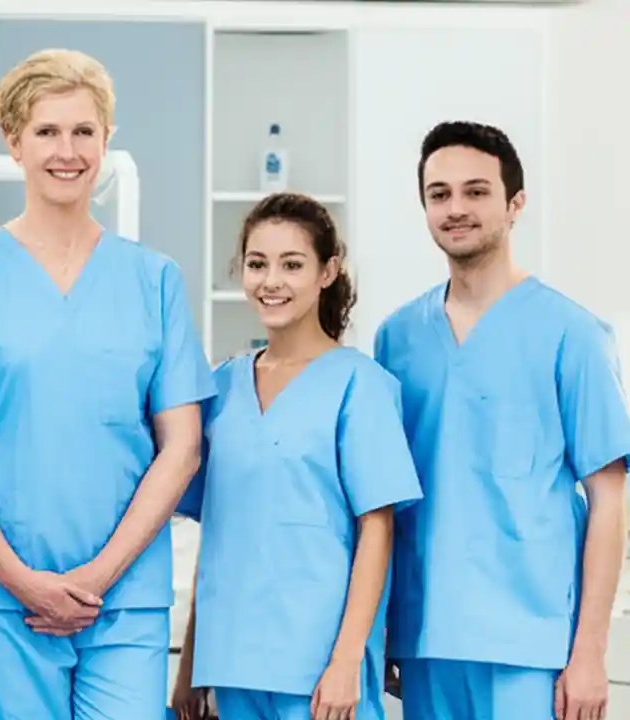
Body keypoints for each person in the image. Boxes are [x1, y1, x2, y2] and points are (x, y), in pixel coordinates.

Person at [0, 48, 214, 719]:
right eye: (46, 131)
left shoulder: (153, 280)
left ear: (107, 140)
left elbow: (181, 447)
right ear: (13, 142)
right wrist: (19, 580)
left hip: (124, 593)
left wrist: (99, 578)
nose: (66, 151)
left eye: (83, 132)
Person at [376, 120, 630, 720]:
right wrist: (383, 631)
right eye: (439, 195)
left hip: (532, 642)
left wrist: (590, 651)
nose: (456, 208)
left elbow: (610, 499)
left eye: (476, 191)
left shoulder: (572, 334)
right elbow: (385, 502)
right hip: (426, 637)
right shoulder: (398, 338)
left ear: (515, 204)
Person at [170, 193, 424, 720]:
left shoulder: (361, 385)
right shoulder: (221, 388)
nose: (271, 281)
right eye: (257, 264)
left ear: (328, 271)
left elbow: (377, 532)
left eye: (292, 265)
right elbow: (220, 538)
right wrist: (192, 664)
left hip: (319, 669)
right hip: (232, 661)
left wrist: (347, 660)